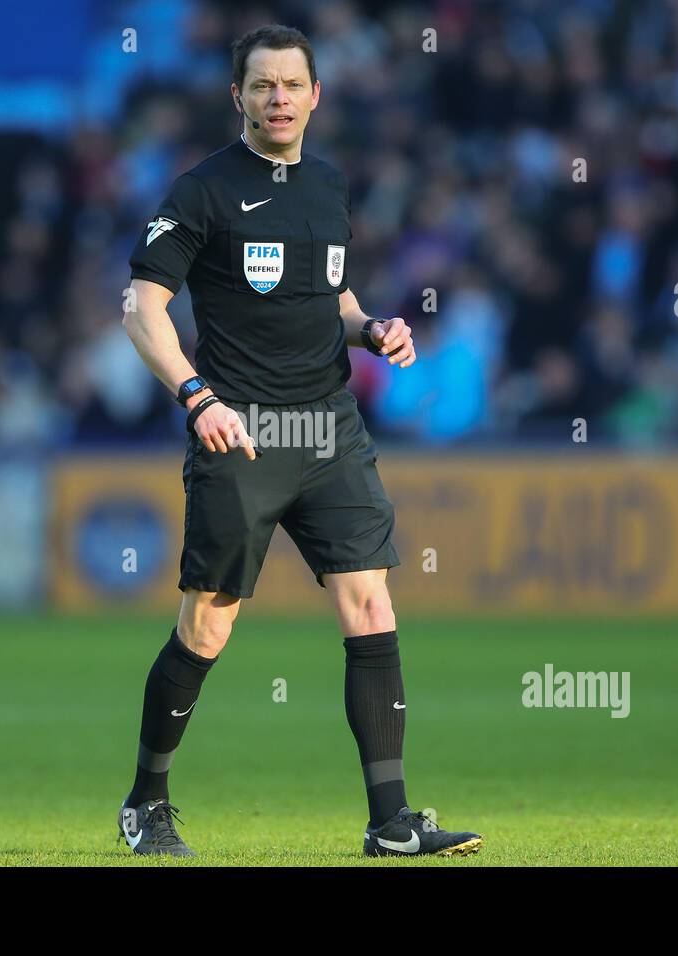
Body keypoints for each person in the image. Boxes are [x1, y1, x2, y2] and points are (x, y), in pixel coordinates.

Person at [118, 23, 482, 858]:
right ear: (237, 96)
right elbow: (141, 310)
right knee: (208, 628)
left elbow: (333, 294)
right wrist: (196, 395)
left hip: (329, 428)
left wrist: (371, 328)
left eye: (292, 85)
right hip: (239, 431)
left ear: (316, 96)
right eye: (262, 85)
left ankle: (390, 821)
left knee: (372, 605)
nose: (278, 98)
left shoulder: (328, 184)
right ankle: (147, 801)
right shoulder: (201, 190)